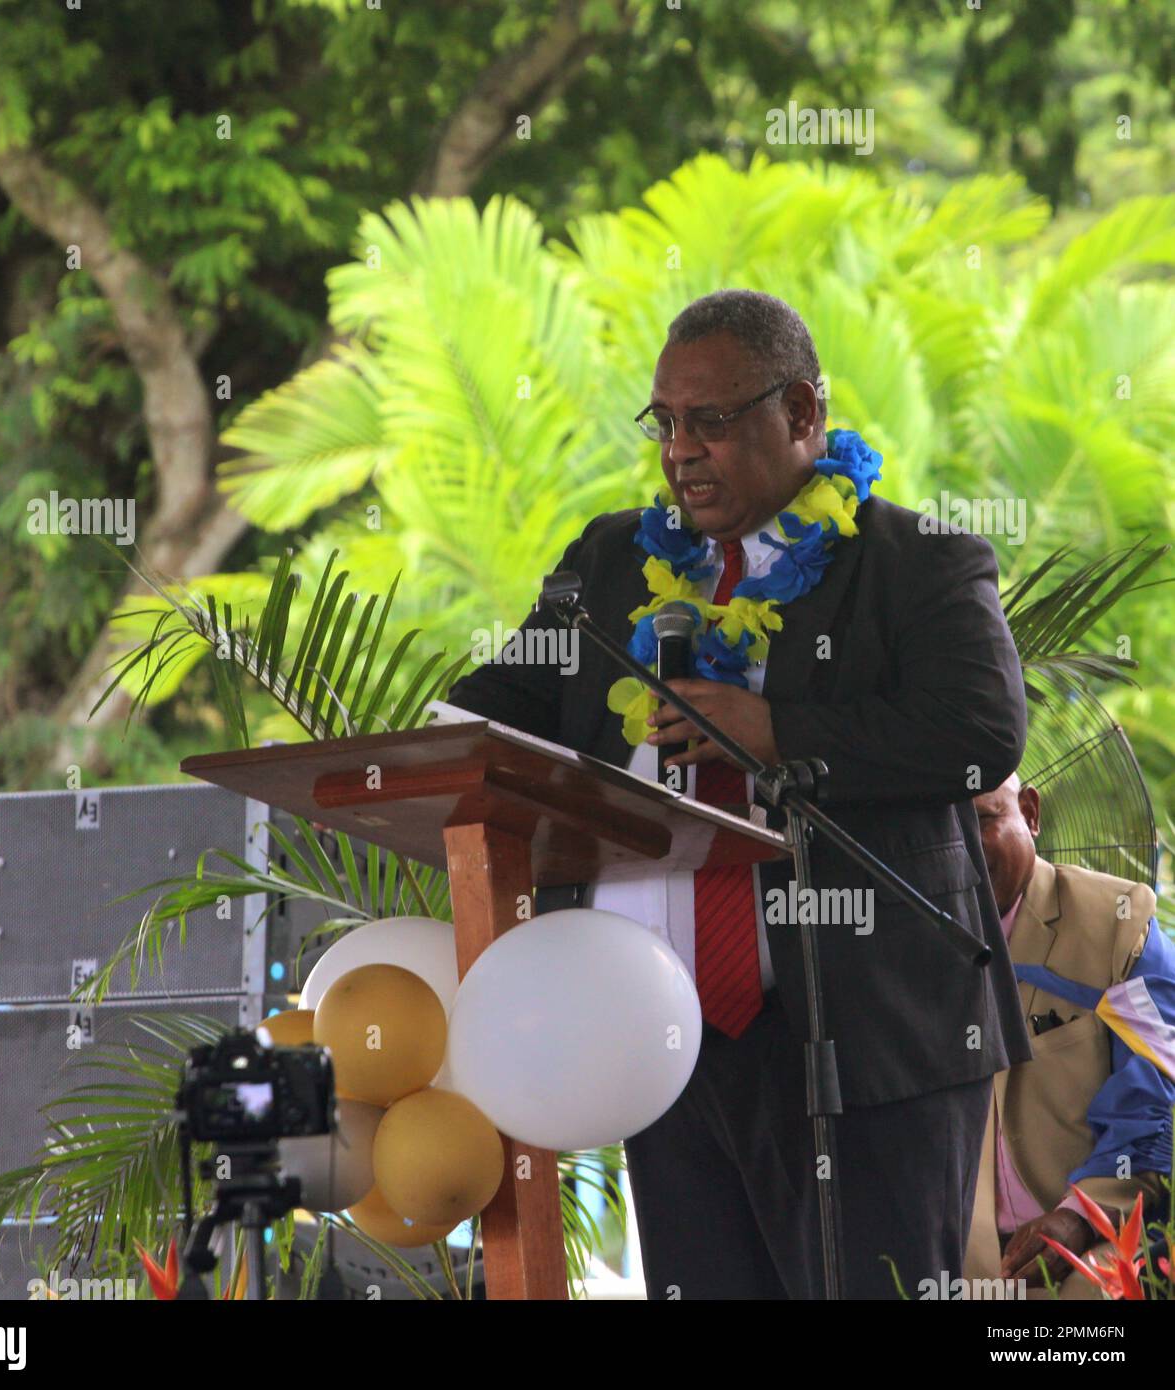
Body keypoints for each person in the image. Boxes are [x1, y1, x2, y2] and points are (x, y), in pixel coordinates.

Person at [445, 288, 1031, 1298]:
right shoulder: (609, 562)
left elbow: (979, 731)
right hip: (656, 1037)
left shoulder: (915, 564)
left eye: (709, 420)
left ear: (801, 414)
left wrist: (776, 732)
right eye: (664, 421)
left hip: (865, 1041)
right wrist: (420, 749)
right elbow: (500, 701)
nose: (679, 450)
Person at [965, 772, 1175, 1298]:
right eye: (937, 829)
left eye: (983, 819)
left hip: (1097, 1238)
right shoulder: (898, 944)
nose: (959, 847)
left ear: (1030, 813)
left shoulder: (1119, 925)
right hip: (962, 1260)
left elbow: (1160, 1095)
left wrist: (1078, 1218)